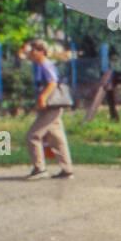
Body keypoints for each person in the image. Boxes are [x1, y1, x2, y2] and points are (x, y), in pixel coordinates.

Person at [23, 39, 74, 180]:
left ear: (40, 51)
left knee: (32, 136)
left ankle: (40, 169)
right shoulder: (40, 65)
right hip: (52, 106)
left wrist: (42, 98)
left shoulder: (45, 64)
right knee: (57, 138)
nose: (30, 53)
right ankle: (67, 169)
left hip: (52, 106)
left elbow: (52, 82)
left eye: (33, 50)